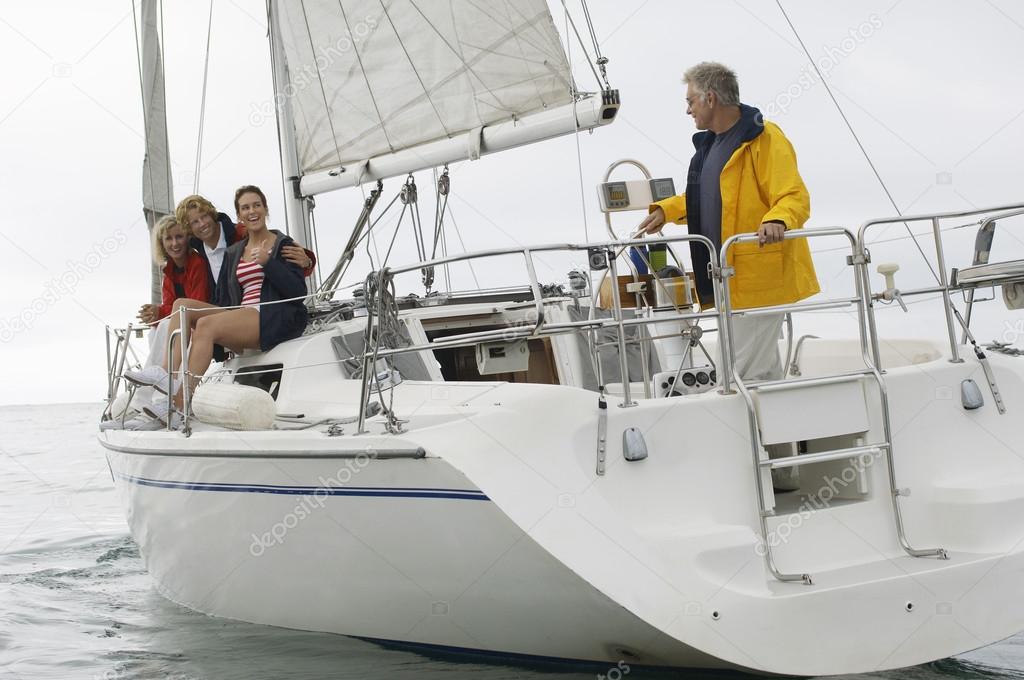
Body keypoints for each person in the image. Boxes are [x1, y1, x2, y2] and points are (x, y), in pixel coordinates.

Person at [637, 61, 819, 382]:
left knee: (737, 378)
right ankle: (775, 416)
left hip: (758, 282)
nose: (688, 110)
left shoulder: (763, 137)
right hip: (727, 282)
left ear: (710, 98)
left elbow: (793, 195)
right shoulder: (710, 147)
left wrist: (777, 219)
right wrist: (666, 210)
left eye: (690, 101)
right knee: (757, 374)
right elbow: (703, 199)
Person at [125, 185, 310, 425]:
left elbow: (298, 291)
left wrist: (271, 263)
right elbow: (224, 294)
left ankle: (179, 405)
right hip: (243, 313)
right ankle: (166, 375)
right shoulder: (237, 250)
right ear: (239, 214)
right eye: (245, 208)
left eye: (256, 205)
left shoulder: (281, 243)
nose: (252, 211)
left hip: (271, 315)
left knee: (206, 326)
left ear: (266, 209)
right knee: (182, 306)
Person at [175, 193, 316, 298]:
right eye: (195, 222)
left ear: (212, 214)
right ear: (189, 229)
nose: (202, 224)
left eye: (204, 216)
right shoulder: (196, 253)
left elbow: (276, 246)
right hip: (224, 310)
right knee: (182, 307)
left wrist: (308, 263)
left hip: (257, 307)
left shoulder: (242, 234)